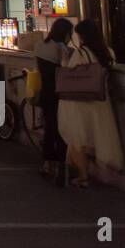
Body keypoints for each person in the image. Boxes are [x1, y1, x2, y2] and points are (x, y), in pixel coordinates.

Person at [58, 19, 125, 187]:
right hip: (100, 99)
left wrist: (64, 60)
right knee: (96, 133)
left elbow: (70, 73)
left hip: (81, 101)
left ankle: (83, 176)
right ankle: (92, 170)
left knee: (77, 138)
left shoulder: (81, 53)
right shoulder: (108, 52)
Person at [35, 18, 74, 184]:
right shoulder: (62, 49)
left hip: (46, 92)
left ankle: (47, 163)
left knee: (49, 127)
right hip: (61, 93)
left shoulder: (40, 46)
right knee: (62, 129)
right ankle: (61, 164)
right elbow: (67, 68)